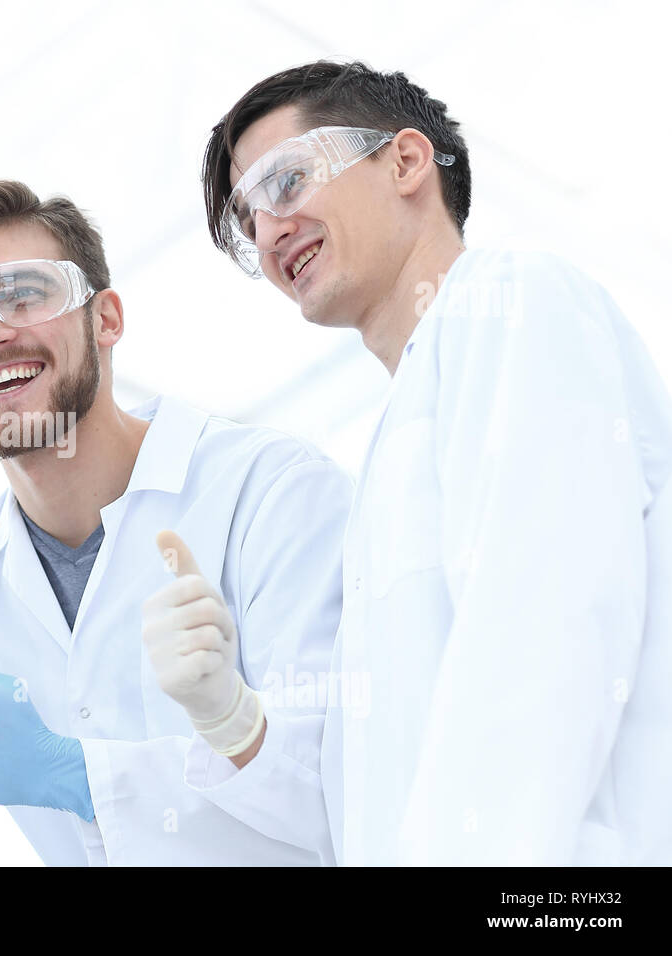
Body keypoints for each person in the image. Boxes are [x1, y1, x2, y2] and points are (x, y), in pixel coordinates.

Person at [197, 59, 672, 864]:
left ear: (407, 162)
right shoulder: (399, 434)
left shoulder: (513, 300)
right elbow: (375, 788)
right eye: (249, 223)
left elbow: (544, 625)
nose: (270, 232)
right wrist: (234, 724)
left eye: (284, 185)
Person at [0, 180, 352, 865]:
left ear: (105, 319)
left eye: (23, 294)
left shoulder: (273, 492)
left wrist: (84, 773)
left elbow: (344, 794)